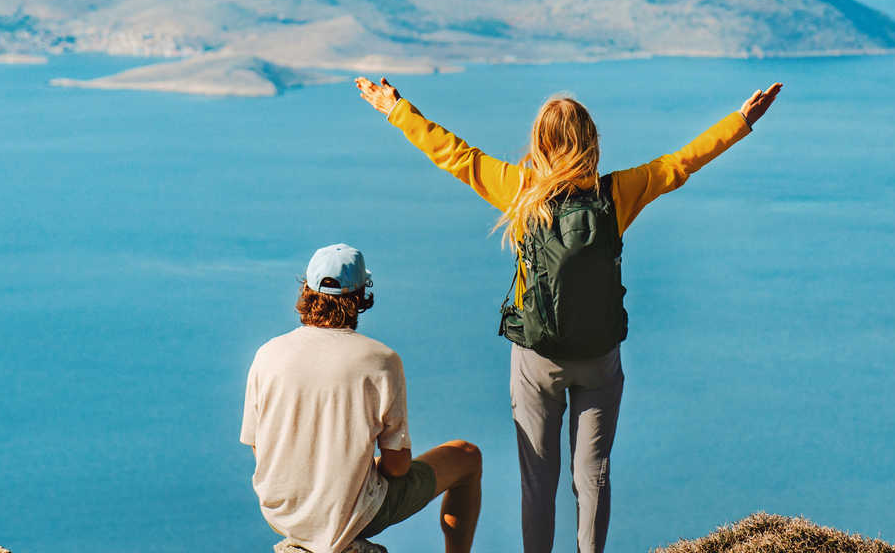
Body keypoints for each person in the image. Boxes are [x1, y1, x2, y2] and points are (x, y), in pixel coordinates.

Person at [355, 78, 781, 553]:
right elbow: (679, 164)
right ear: (591, 141)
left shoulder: (520, 191)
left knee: (539, 480)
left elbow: (455, 154)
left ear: (539, 143)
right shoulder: (617, 194)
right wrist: (740, 121)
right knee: (592, 473)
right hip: (599, 357)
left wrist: (395, 108)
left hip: (537, 358)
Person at [241, 243, 483, 553]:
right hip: (353, 513)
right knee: (467, 456)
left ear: (307, 290)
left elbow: (259, 448)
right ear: (359, 296)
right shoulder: (381, 360)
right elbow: (397, 467)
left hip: (280, 512)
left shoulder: (267, 354)